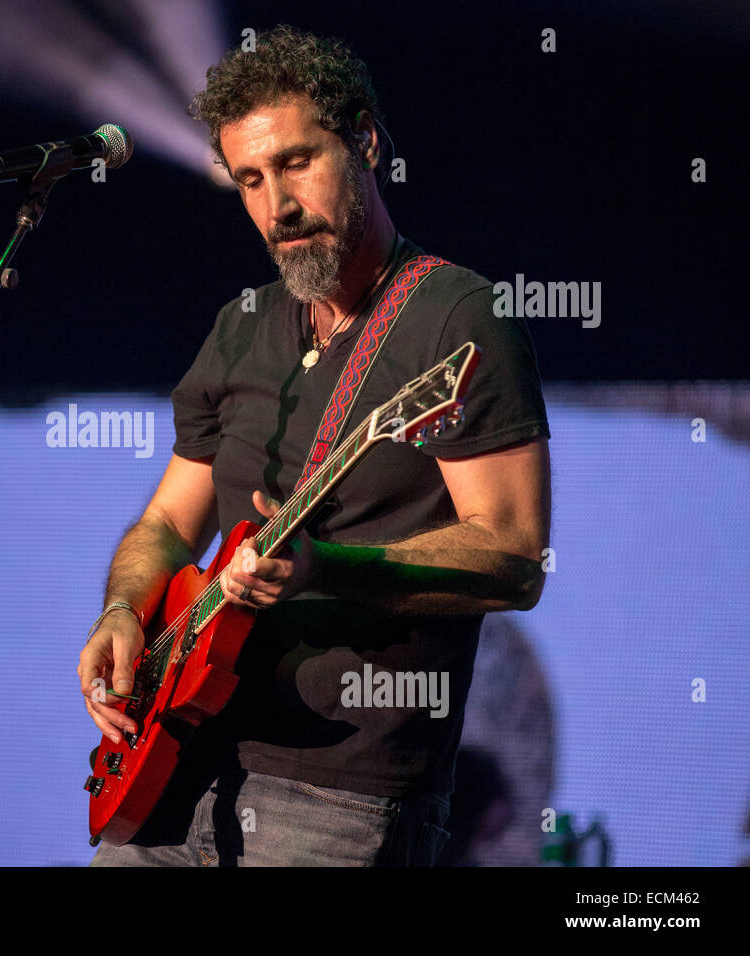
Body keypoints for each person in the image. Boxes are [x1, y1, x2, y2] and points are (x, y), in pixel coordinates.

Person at [79, 26, 551, 866]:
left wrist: (327, 569)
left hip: (340, 794)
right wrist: (122, 610)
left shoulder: (454, 318)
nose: (276, 207)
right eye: (250, 179)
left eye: (297, 163)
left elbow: (513, 558)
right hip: (174, 761)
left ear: (365, 141)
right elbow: (164, 522)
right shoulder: (241, 326)